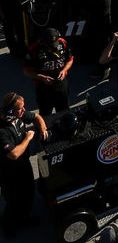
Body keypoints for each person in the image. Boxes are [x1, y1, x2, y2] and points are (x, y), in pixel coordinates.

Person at [0, 92, 48, 238]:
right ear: (10, 111)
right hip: (9, 172)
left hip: (24, 166)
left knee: (28, 194)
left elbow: (36, 117)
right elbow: (13, 154)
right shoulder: (2, 130)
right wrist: (28, 138)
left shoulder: (19, 115)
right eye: (20, 108)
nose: (24, 110)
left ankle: (24, 218)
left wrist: (43, 129)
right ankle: (9, 225)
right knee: (14, 201)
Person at [23, 28, 73, 116]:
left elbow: (70, 60)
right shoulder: (34, 49)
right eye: (50, 46)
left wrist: (64, 70)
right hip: (43, 87)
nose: (52, 48)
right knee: (45, 114)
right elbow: (26, 71)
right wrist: (42, 77)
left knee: (64, 112)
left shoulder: (63, 43)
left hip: (61, 84)